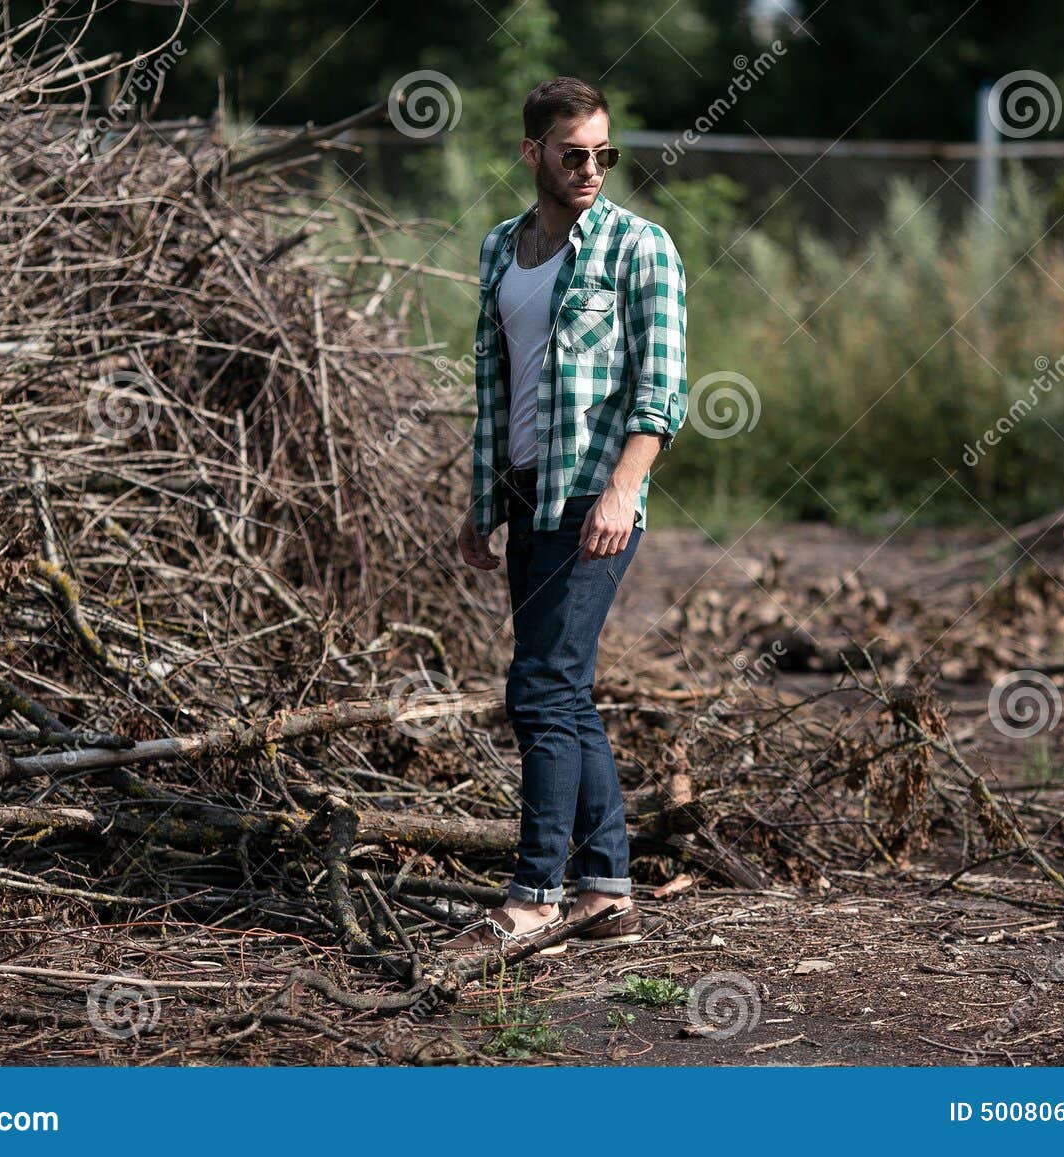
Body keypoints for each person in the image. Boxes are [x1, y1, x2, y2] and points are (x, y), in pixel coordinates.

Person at [448, 76, 688, 954]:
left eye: (604, 155)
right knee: (565, 688)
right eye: (573, 153)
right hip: (527, 493)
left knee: (541, 686)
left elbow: (663, 390)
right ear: (533, 153)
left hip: (597, 496)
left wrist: (626, 488)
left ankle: (536, 891)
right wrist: (482, 502)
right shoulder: (499, 251)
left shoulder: (639, 248)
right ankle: (608, 888)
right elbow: (494, 384)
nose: (591, 168)